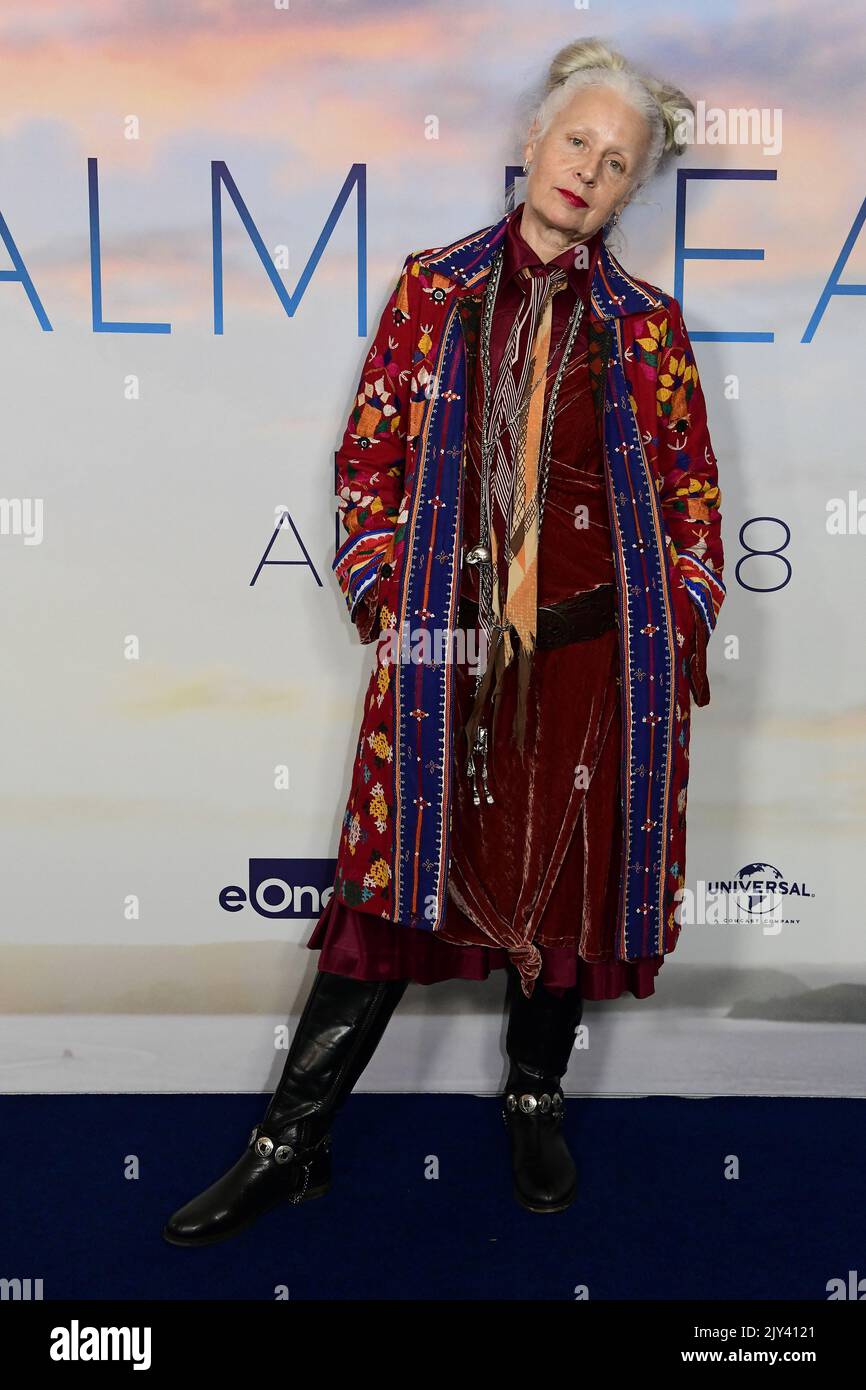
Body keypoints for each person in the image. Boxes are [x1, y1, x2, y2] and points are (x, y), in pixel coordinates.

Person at [163, 36, 725, 1246]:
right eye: (576, 140)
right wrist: (384, 602)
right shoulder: (434, 288)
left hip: (592, 666)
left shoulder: (647, 328)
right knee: (388, 892)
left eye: (616, 161)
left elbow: (691, 502)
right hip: (442, 657)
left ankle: (532, 1095)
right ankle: (287, 1143)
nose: (588, 168)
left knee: (569, 888)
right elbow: (367, 463)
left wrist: (669, 619)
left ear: (630, 191)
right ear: (530, 143)